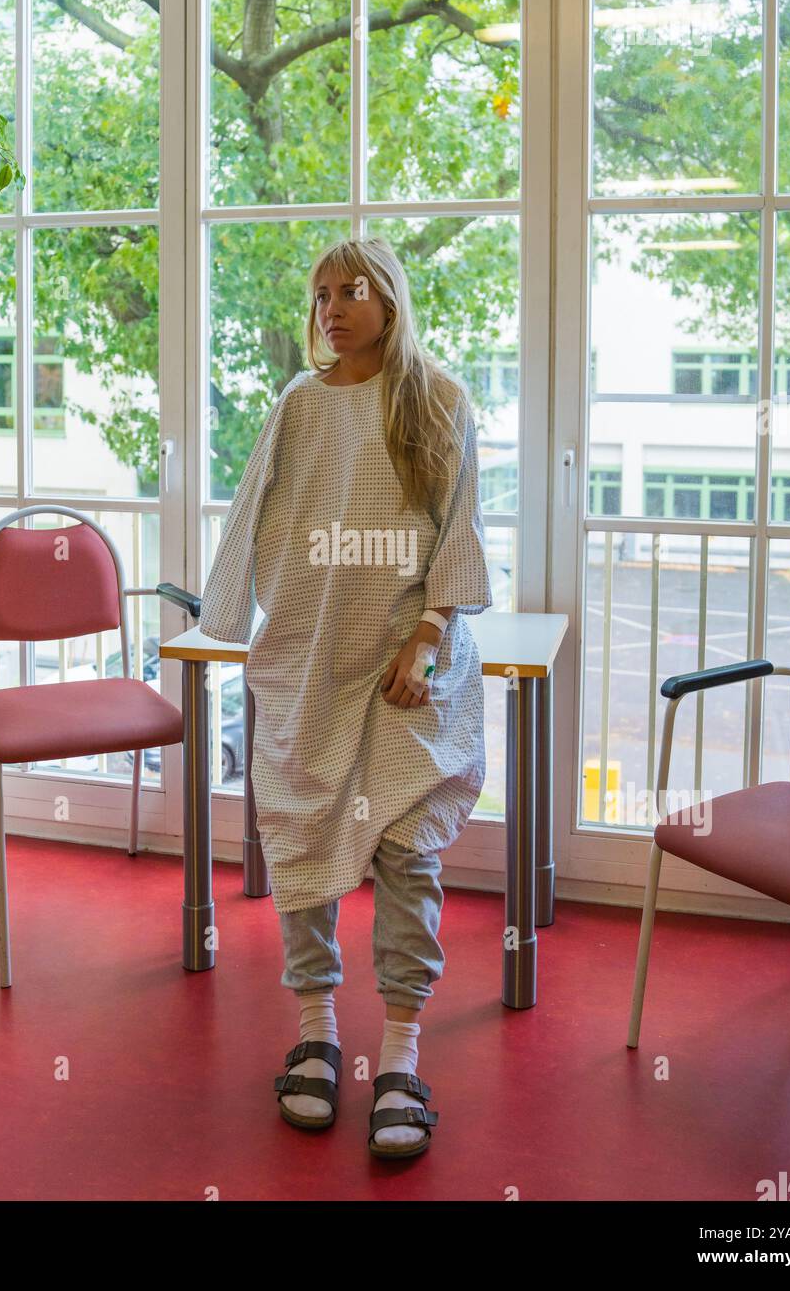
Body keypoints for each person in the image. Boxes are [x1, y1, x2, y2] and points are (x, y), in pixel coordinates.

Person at [198, 235, 491, 1158]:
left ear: (390, 297)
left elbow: (459, 531)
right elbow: (248, 514)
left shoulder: (438, 399)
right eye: (319, 293)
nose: (331, 307)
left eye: (350, 289)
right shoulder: (298, 404)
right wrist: (230, 619)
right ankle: (316, 1032)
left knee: (408, 856)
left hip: (410, 671)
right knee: (306, 838)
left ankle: (401, 1053)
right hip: (310, 661)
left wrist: (429, 638)